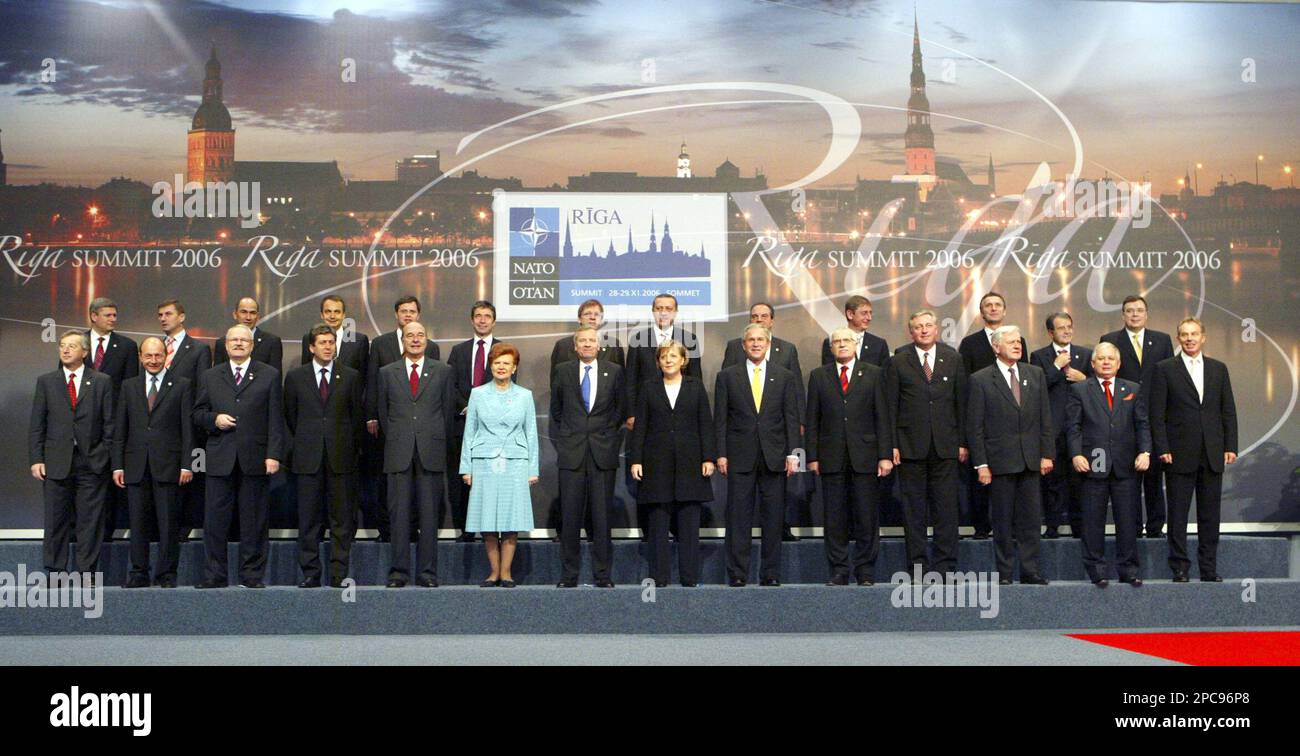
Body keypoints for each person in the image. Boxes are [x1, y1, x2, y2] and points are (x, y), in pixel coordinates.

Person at [192, 325, 285, 588]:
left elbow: (275, 418)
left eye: (244, 340)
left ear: (252, 345)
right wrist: (214, 419)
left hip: (255, 458)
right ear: (225, 345)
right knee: (214, 523)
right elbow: (197, 414)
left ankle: (252, 576)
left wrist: (273, 454)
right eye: (234, 340)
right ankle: (214, 576)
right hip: (220, 457)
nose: (239, 344)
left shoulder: (269, 375)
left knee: (254, 522)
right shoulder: (210, 376)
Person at [1150, 317, 1238, 582]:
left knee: (1210, 516)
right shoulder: (1165, 369)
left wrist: (1230, 445)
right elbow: (1157, 414)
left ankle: (1209, 569)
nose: (1189, 338)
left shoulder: (1218, 369)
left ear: (1203, 337)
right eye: (1184, 334)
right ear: (1178, 338)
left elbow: (1228, 410)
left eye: (1194, 334)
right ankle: (1180, 568)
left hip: (1212, 453)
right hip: (1178, 453)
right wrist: (1162, 446)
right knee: (1177, 515)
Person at [967, 325, 1054, 585]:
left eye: (1019, 341)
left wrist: (1047, 454)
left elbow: (1045, 418)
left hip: (1030, 460)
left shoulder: (1035, 374)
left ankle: (1030, 571)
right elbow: (975, 426)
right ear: (996, 347)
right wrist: (981, 464)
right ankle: (1005, 572)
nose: (1017, 346)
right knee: (1002, 521)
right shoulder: (981, 379)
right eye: (1011, 342)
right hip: (999, 462)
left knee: (1030, 521)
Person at [715, 324, 801, 587]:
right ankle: (737, 573)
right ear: (743, 345)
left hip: (774, 456)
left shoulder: (783, 376)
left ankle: (770, 573)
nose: (755, 344)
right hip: (739, 456)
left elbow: (791, 417)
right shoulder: (727, 376)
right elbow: (720, 419)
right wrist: (721, 454)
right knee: (738, 518)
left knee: (773, 519)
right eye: (750, 340)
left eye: (760, 340)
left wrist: (793, 454)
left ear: (768, 344)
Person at [806, 328, 894, 585]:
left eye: (846, 341)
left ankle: (865, 571)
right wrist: (812, 456)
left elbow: (883, 417)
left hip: (865, 456)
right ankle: (839, 570)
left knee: (866, 517)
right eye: (837, 342)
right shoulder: (818, 376)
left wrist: (885, 455)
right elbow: (812, 420)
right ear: (830, 348)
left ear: (856, 344)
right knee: (834, 519)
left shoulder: (875, 374)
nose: (842, 345)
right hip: (831, 458)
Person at [884, 310, 967, 578]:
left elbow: (962, 404)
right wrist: (892, 445)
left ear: (936, 329)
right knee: (914, 511)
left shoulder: (952, 358)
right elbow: (890, 407)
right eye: (918, 327)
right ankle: (918, 567)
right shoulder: (898, 361)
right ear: (911, 332)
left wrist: (963, 442)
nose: (924, 330)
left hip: (946, 446)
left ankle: (946, 567)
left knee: (946, 511)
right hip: (910, 447)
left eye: (928, 325)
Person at [375, 321, 455, 588]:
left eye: (421, 334)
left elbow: (446, 413)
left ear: (427, 339)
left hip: (430, 452)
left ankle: (427, 573)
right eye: (410, 335)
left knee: (430, 516)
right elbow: (384, 415)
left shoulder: (443, 371)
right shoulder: (387, 372)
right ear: (403, 341)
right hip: (398, 452)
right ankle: (398, 573)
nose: (416, 339)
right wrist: (400, 437)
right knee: (398, 517)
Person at [29, 330, 114, 577]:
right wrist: (37, 459)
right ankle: (55, 571)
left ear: (85, 352)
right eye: (62, 346)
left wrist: (102, 455)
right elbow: (37, 424)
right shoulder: (47, 381)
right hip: (56, 461)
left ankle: (86, 573)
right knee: (55, 521)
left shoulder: (101, 381)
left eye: (72, 346)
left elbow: (110, 424)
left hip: (92, 462)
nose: (65, 350)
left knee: (90, 522)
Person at [629, 340, 714, 587]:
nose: (668, 360)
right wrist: (636, 460)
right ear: (658, 362)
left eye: (673, 356)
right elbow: (640, 427)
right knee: (657, 528)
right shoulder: (648, 388)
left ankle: (689, 578)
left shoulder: (695, 387)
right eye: (663, 357)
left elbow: (705, 424)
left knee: (689, 527)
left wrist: (708, 457)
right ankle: (660, 578)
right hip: (656, 465)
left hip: (690, 464)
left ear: (683, 361)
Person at [284, 324, 364, 588]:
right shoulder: (296, 377)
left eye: (331, 342)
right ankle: (310, 573)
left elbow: (356, 419)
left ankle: (339, 573)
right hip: (308, 459)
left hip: (341, 459)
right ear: (311, 347)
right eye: (323, 342)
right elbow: (291, 417)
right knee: (309, 520)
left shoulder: (350, 376)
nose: (328, 346)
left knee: (341, 521)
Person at [1065, 342, 1149, 588]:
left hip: (1126, 464)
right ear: (1092, 364)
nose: (1106, 362)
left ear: (1119, 363)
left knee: (1127, 520)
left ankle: (1128, 570)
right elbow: (1073, 427)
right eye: (1101, 358)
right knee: (1093, 521)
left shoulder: (1132, 388)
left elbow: (1142, 423)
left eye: (1111, 358)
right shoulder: (1080, 390)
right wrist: (1076, 454)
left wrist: (1145, 451)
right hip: (1093, 463)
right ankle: (1097, 570)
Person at [111, 336, 193, 588]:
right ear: (140, 357)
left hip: (168, 466)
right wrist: (117, 464)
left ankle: (167, 574)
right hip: (135, 467)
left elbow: (187, 429)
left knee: (169, 525)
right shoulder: (129, 386)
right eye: (148, 355)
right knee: (137, 524)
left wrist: (186, 464)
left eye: (158, 355)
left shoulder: (181, 385)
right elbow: (120, 429)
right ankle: (138, 573)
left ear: (165, 356)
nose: (153, 360)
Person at [550, 326, 627, 588]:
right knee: (570, 518)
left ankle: (603, 576)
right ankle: (568, 576)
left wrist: (606, 435)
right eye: (582, 341)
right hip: (572, 453)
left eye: (591, 341)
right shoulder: (563, 371)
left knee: (602, 518)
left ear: (598, 345)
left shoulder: (614, 371)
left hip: (602, 454)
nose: (586, 344)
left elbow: (619, 410)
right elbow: (557, 411)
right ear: (575, 346)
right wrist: (568, 439)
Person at [722, 301, 806, 541]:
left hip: (775, 440)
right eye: (754, 316)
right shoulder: (735, 349)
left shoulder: (786, 350)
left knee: (775, 503)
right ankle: (737, 573)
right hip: (742, 442)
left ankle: (777, 547)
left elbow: (796, 390)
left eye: (764, 316)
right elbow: (727, 397)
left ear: (772, 321)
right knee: (740, 509)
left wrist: (797, 425)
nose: (758, 320)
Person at [461, 343, 538, 588]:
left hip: (515, 462)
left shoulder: (525, 395)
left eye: (506, 363)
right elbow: (469, 432)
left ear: (514, 367)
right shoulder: (478, 394)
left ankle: (506, 573)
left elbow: (531, 433)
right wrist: (467, 468)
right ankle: (493, 572)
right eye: (497, 363)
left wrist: (532, 468)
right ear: (490, 367)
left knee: (511, 520)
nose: (501, 367)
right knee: (487, 521)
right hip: (484, 461)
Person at [1101, 295, 1175, 538]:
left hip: (1155, 416)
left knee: (1154, 476)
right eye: (1129, 311)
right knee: (1129, 478)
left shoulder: (1162, 340)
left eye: (1139, 310)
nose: (1134, 314)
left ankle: (1155, 527)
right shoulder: (1110, 340)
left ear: (1147, 314)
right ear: (1123, 315)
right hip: (1122, 418)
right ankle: (1131, 526)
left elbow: (1169, 377)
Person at [959, 292, 1028, 540]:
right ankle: (981, 527)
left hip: (1012, 425)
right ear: (981, 311)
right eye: (988, 305)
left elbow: (1025, 384)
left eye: (998, 304)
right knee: (982, 479)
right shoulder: (970, 343)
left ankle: (1011, 529)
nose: (993, 308)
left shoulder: (1020, 341)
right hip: (982, 422)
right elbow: (964, 388)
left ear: (1004, 309)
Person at [365, 296, 429, 542]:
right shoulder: (380, 343)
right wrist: (372, 415)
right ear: (396, 315)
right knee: (388, 481)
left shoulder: (428, 346)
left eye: (412, 311)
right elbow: (373, 381)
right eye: (403, 311)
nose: (408, 315)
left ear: (418, 315)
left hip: (420, 429)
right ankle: (387, 529)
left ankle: (413, 529)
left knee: (417, 482)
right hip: (390, 425)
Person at [448, 300, 512, 542]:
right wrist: (468, 408)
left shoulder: (505, 351)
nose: (483, 320)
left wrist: (484, 411)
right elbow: (450, 386)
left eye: (487, 316)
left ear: (494, 321)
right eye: (478, 316)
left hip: (495, 428)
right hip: (463, 423)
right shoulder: (459, 351)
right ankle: (466, 530)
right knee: (466, 478)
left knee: (493, 479)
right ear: (472, 320)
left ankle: (495, 529)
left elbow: (508, 388)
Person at [1030, 311, 1092, 538]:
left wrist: (1084, 379)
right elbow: (1036, 389)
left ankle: (1079, 527)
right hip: (1052, 430)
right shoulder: (1039, 357)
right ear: (1050, 332)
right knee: (1052, 482)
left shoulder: (1086, 355)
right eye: (1061, 328)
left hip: (1080, 429)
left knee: (1079, 482)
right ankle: (1053, 526)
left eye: (1069, 326)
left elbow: (1098, 386)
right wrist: (1056, 367)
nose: (1066, 331)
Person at [82, 297, 138, 540]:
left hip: (112, 426)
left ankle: (106, 534)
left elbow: (130, 389)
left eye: (115, 315)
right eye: (108, 315)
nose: (113, 319)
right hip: (81, 426)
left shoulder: (126, 346)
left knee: (108, 483)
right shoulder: (76, 343)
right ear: (94, 316)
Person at [157, 298, 211, 534]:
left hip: (186, 424)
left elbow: (203, 387)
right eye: (160, 315)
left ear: (181, 317)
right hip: (158, 426)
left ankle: (184, 529)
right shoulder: (154, 348)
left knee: (187, 481)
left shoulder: (198, 349)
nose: (163, 318)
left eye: (168, 314)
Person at [625, 293, 701, 430]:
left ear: (676, 312)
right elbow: (630, 380)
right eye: (659, 308)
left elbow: (695, 379)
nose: (663, 313)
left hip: (681, 412)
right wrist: (631, 413)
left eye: (668, 309)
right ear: (653, 311)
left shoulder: (689, 339)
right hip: (646, 412)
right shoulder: (637, 339)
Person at [299, 295, 370, 375]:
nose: (332, 316)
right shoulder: (308, 339)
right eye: (328, 312)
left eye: (337, 312)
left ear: (343, 315)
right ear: (322, 315)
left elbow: (364, 376)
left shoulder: (359, 341)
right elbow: (305, 373)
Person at [549, 298, 625, 370]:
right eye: (587, 314)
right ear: (579, 319)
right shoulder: (563, 345)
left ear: (601, 320)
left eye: (597, 314)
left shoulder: (613, 344)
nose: (592, 317)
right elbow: (557, 379)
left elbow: (620, 378)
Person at [214, 296, 283, 371]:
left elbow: (275, 377)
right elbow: (217, 375)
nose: (248, 317)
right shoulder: (222, 343)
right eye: (243, 312)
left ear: (258, 316)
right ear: (235, 314)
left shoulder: (272, 342)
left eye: (252, 313)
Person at [820, 295, 889, 368]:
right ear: (850, 314)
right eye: (864, 313)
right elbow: (827, 374)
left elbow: (884, 375)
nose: (869, 318)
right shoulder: (832, 342)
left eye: (870, 313)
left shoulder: (879, 344)